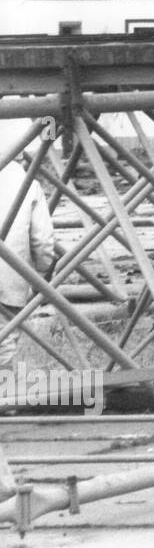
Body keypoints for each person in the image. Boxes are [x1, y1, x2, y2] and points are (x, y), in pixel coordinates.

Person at [0, 120, 57, 370]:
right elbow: (43, 242)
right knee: (4, 342)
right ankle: (3, 401)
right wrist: (42, 277)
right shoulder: (29, 185)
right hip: (10, 280)